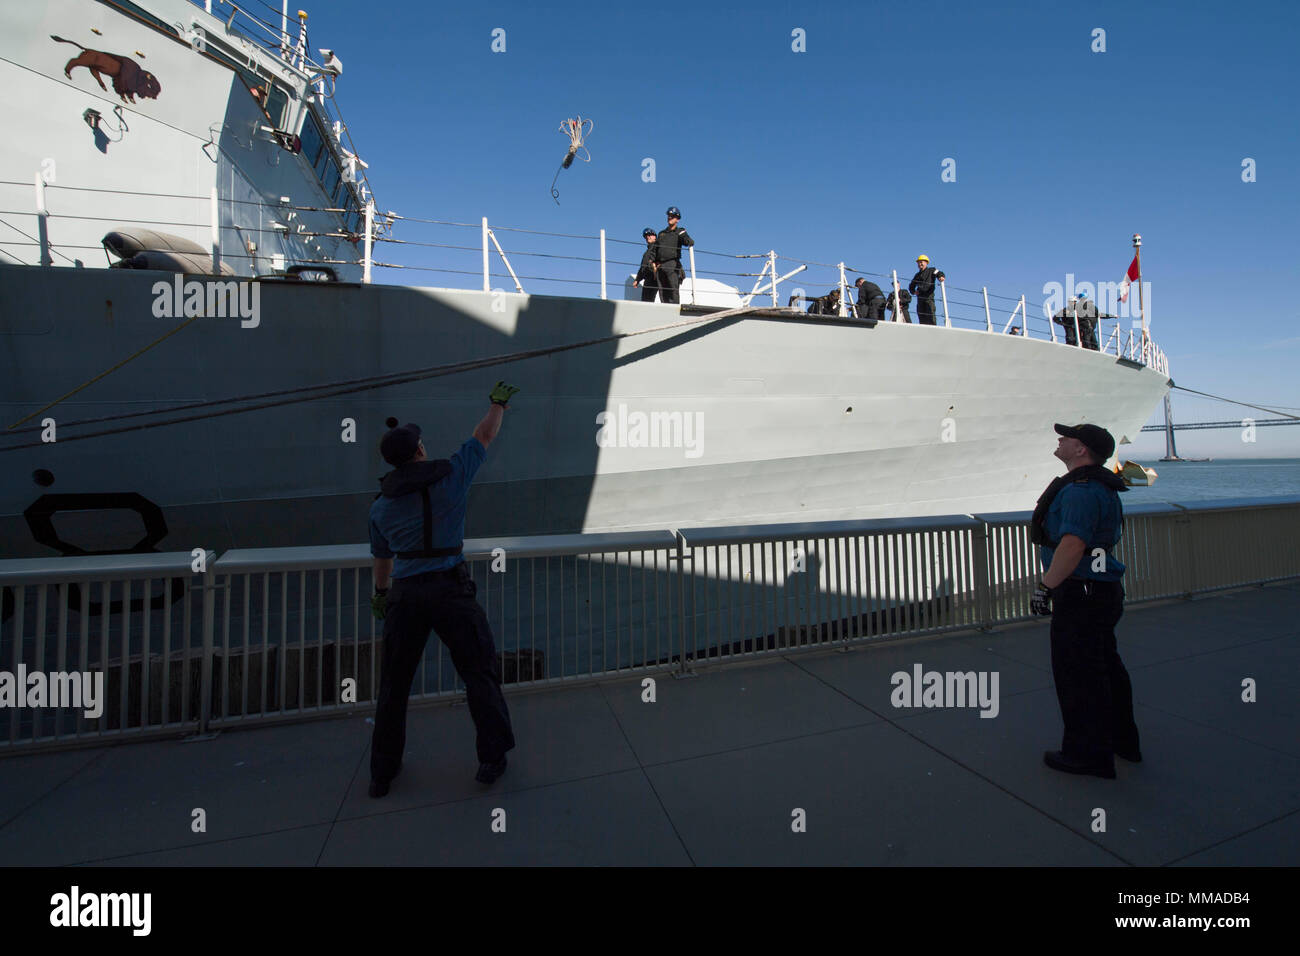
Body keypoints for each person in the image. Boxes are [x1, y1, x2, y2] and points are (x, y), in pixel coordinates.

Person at [367, 382, 520, 796]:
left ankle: (382, 773)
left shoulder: (380, 507)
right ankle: (491, 759)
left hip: (406, 595)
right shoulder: (451, 477)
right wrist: (497, 403)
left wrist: (381, 595)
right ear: (419, 451)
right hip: (452, 591)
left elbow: (383, 560)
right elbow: (484, 434)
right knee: (479, 674)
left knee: (394, 686)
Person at [1030, 423, 1140, 779]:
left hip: (1082, 592)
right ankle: (1124, 742)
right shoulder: (1100, 487)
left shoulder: (1080, 491)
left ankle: (1087, 755)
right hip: (1101, 591)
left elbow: (1073, 544)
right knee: (1106, 668)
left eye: (1067, 437)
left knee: (1078, 675)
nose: (1060, 439)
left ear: (1081, 450)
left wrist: (1045, 588)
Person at [653, 206, 694, 304]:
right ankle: (666, 314)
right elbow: (655, 250)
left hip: (672, 264)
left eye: (673, 216)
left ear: (677, 219)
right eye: (669, 215)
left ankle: (674, 312)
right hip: (660, 266)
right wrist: (653, 262)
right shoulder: (661, 234)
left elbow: (689, 242)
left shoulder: (679, 231)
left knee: (673, 290)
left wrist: (683, 235)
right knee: (662, 292)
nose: (670, 218)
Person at [908, 254, 945, 326]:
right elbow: (911, 286)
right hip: (920, 299)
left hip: (929, 297)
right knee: (921, 317)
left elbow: (939, 273)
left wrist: (941, 276)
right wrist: (913, 292)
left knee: (931, 316)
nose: (920, 264)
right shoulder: (917, 275)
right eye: (919, 262)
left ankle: (934, 332)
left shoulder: (932, 270)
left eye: (922, 262)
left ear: (926, 263)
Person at [633, 227, 659, 302]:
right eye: (646, 237)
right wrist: (637, 279)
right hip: (648, 278)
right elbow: (643, 267)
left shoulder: (659, 246)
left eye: (650, 235)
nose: (648, 237)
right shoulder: (646, 253)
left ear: (655, 236)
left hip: (656, 276)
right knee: (646, 300)